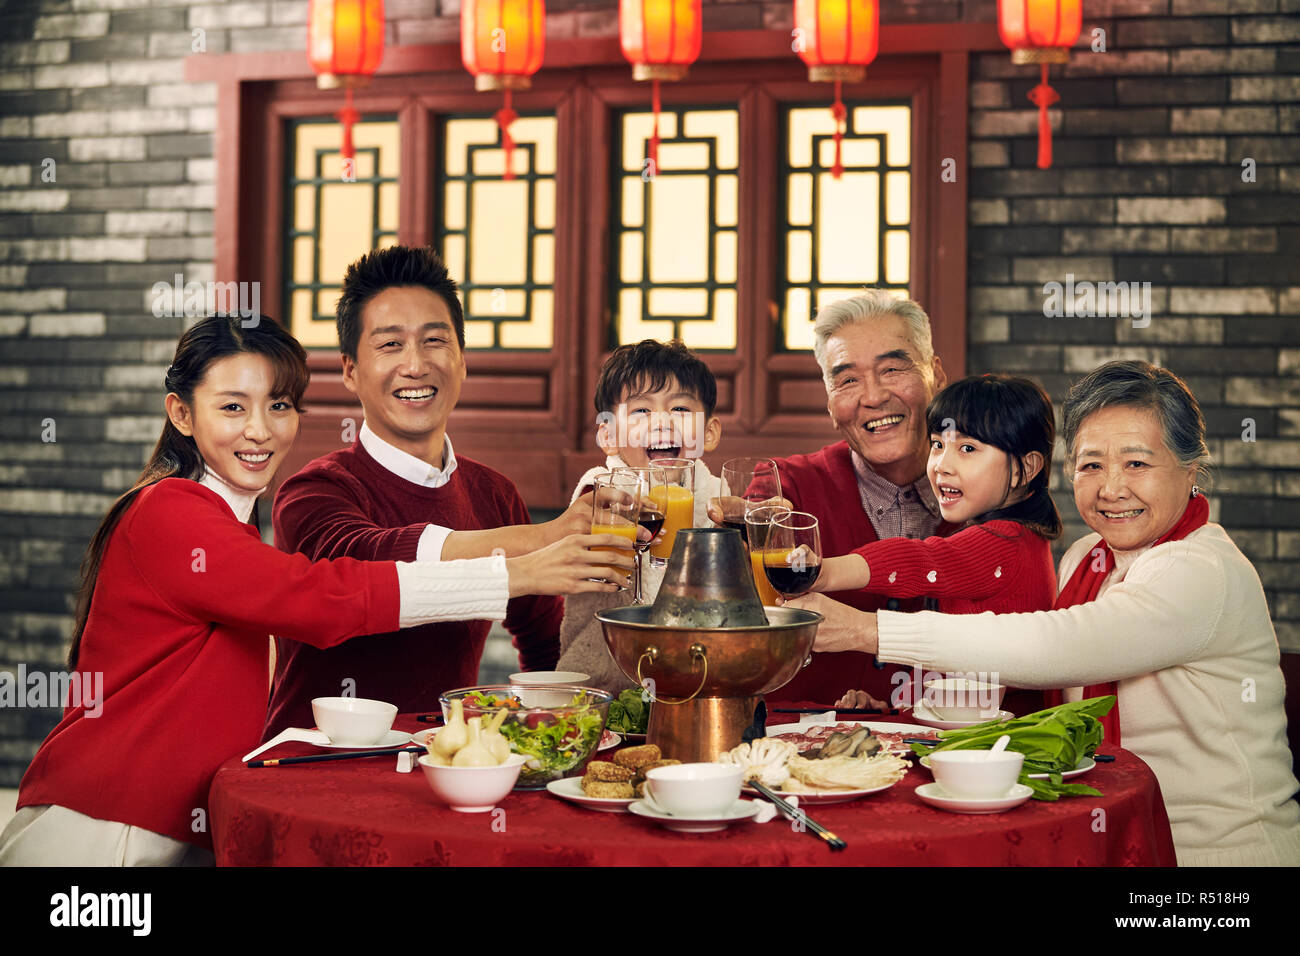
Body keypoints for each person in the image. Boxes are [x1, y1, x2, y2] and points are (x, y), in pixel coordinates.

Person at [0, 315, 628, 866]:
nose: (260, 430)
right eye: (232, 406)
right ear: (181, 413)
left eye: (279, 405)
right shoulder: (170, 512)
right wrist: (522, 570)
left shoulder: (228, 519)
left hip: (180, 824)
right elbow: (319, 597)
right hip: (108, 831)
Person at [794, 361, 1300, 865]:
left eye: (1137, 464)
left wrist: (865, 629)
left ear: (1190, 468)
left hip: (1214, 855)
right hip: (1112, 837)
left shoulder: (1200, 568)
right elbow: (1036, 690)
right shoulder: (1087, 558)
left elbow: (1062, 646)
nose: (1111, 488)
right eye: (1091, 464)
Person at [265, 246, 604, 738]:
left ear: (462, 361)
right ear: (349, 370)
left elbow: (545, 639)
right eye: (389, 346)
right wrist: (544, 540)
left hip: (447, 764)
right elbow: (373, 563)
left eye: (434, 341)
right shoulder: (313, 491)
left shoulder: (494, 494)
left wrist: (551, 734)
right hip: (320, 765)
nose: (416, 365)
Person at [811, 374, 1062, 708]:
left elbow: (922, 559)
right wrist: (892, 711)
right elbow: (957, 682)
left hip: (993, 751)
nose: (943, 465)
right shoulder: (1023, 539)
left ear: (1025, 468)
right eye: (938, 445)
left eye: (968, 448)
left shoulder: (1006, 543)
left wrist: (822, 572)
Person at [768, 290, 961, 705]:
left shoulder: (995, 496)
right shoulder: (786, 491)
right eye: (848, 379)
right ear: (829, 402)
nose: (872, 397)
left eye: (892, 369)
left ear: (936, 375)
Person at [557, 339, 722, 690]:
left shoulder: (719, 497)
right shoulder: (601, 489)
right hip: (604, 678)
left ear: (708, 433)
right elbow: (594, 520)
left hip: (701, 681)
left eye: (679, 409)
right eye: (641, 411)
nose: (661, 422)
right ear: (609, 435)